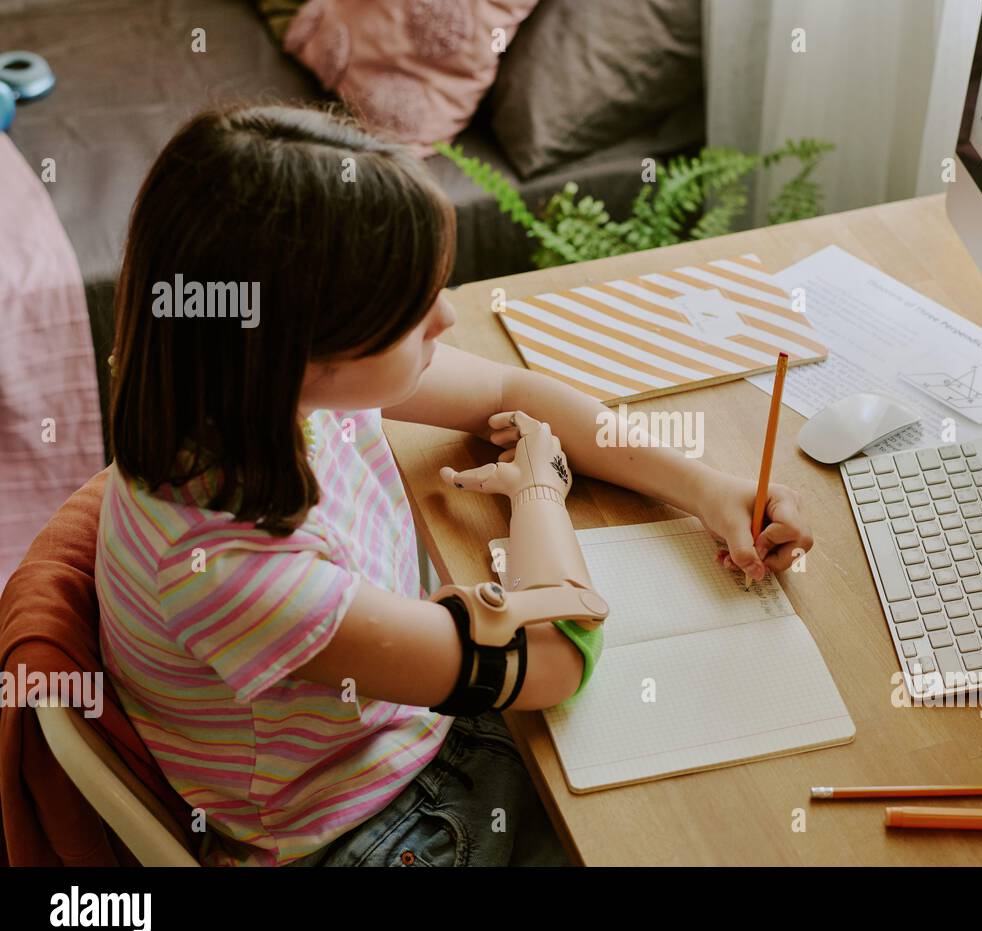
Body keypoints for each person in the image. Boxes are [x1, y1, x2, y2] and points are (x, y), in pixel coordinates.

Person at [96, 104, 813, 866]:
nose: (446, 316)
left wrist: (704, 487)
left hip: (411, 733)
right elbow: (558, 661)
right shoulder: (237, 569)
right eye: (410, 312)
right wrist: (538, 489)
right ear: (302, 350)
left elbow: (511, 389)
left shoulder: (242, 391)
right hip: (385, 823)